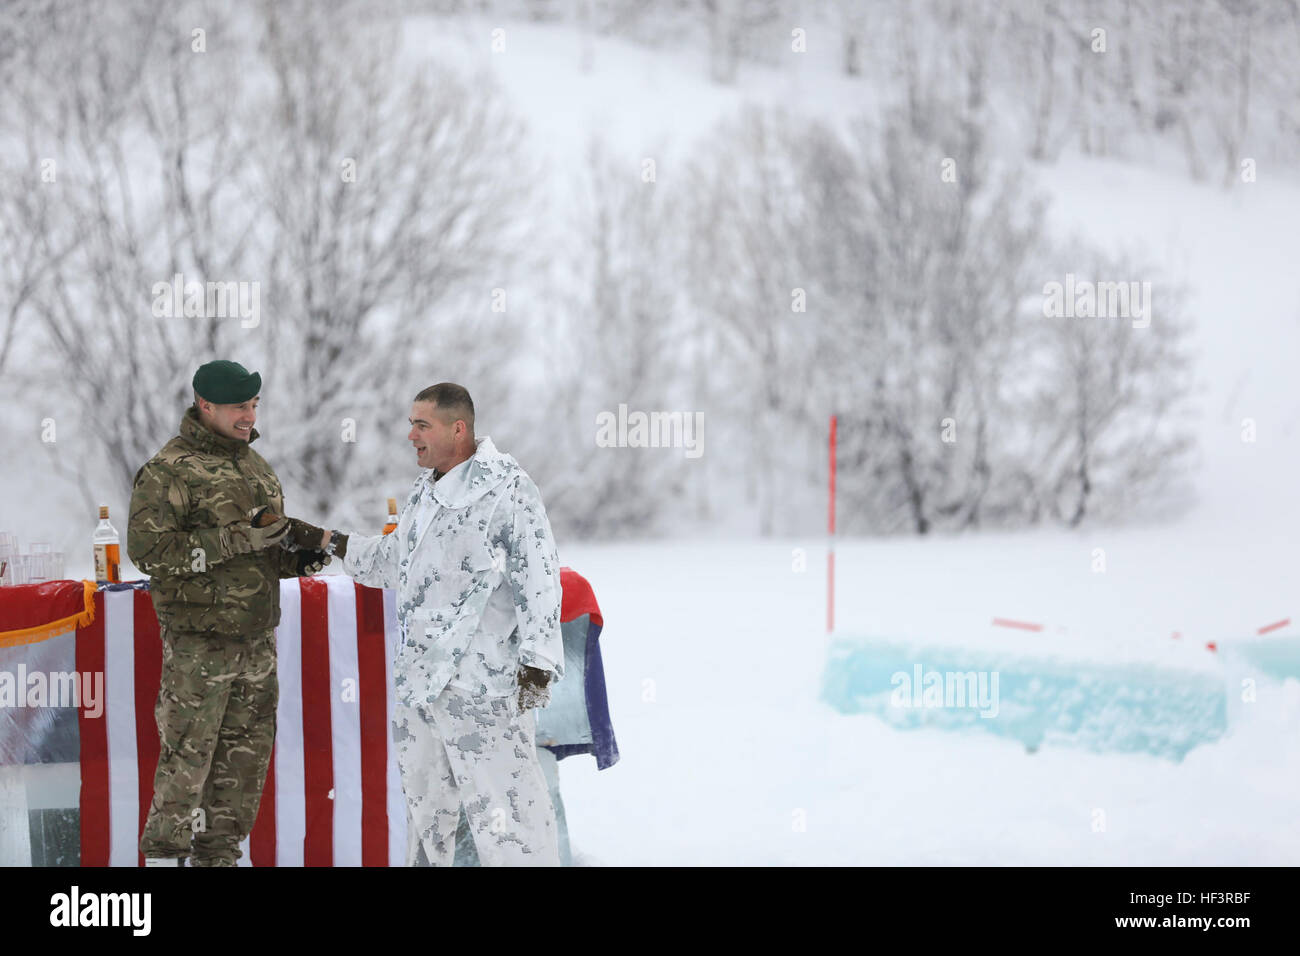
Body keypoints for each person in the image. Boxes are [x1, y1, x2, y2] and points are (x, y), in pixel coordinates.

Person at [283, 383, 564, 866]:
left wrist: (537, 668)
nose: (410, 434)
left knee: (512, 823)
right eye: (410, 423)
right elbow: (395, 561)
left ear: (458, 429)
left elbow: (539, 580)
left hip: (483, 691)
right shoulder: (426, 491)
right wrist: (331, 540)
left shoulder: (507, 489)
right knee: (430, 822)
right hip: (420, 690)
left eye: (422, 425)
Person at [126, 360, 326, 867]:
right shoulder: (169, 470)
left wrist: (297, 557)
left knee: (244, 764)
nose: (249, 416)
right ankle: (167, 859)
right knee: (187, 760)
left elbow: (262, 553)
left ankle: (219, 859)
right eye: (240, 406)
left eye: (254, 405)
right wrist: (239, 538)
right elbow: (149, 552)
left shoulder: (255, 466)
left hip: (257, 643)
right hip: (200, 645)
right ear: (205, 404)